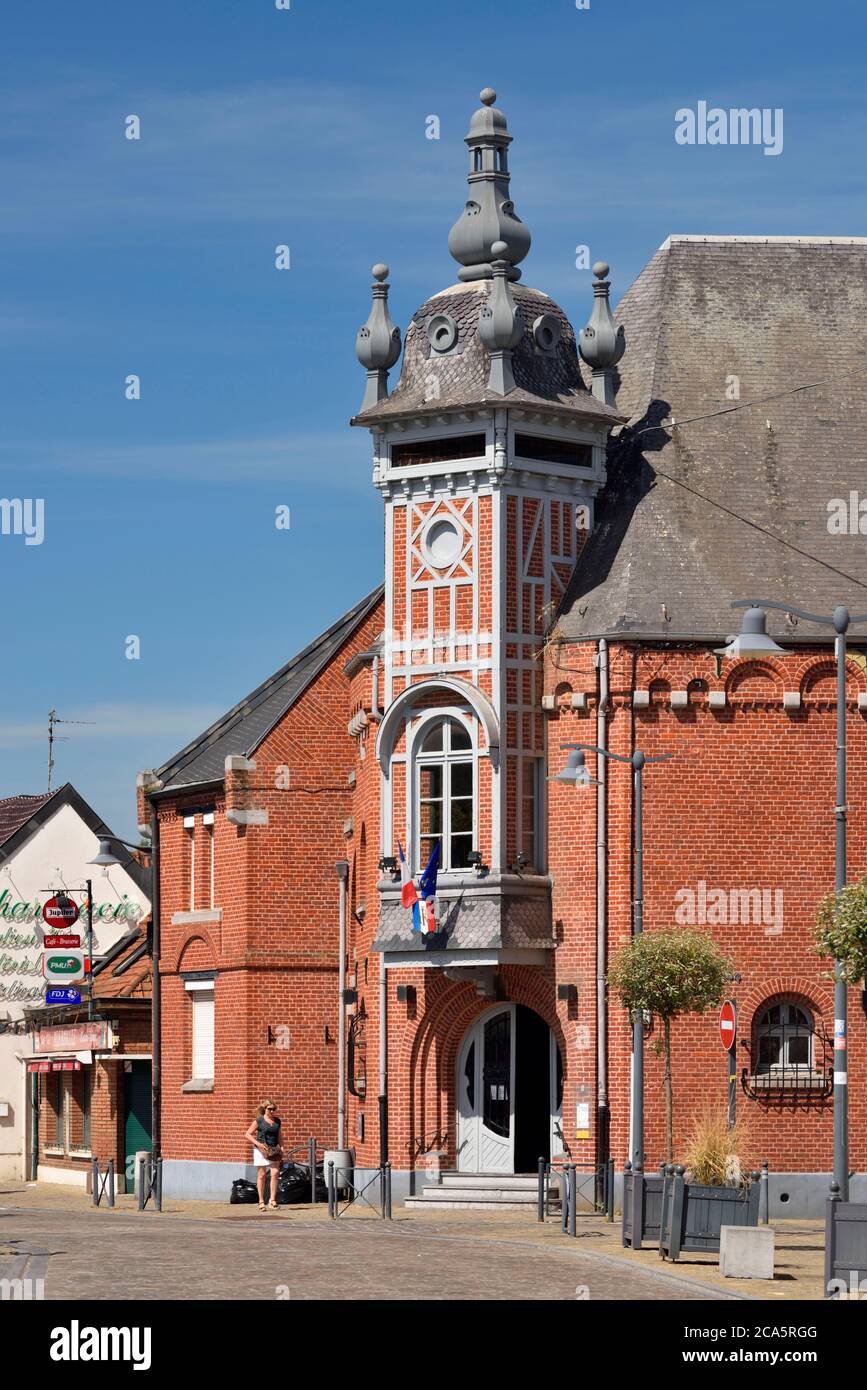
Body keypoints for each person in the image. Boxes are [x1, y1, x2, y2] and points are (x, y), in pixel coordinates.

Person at [245, 1100, 283, 1211]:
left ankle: (272, 1200)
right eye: (269, 1109)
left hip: (274, 1150)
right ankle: (261, 1201)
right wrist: (258, 1144)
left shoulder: (277, 1121)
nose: (272, 1111)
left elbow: (280, 1136)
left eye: (273, 1109)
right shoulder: (259, 1120)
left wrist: (282, 1147)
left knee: (275, 1173)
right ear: (265, 1109)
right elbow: (247, 1134)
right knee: (262, 1175)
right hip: (261, 1150)